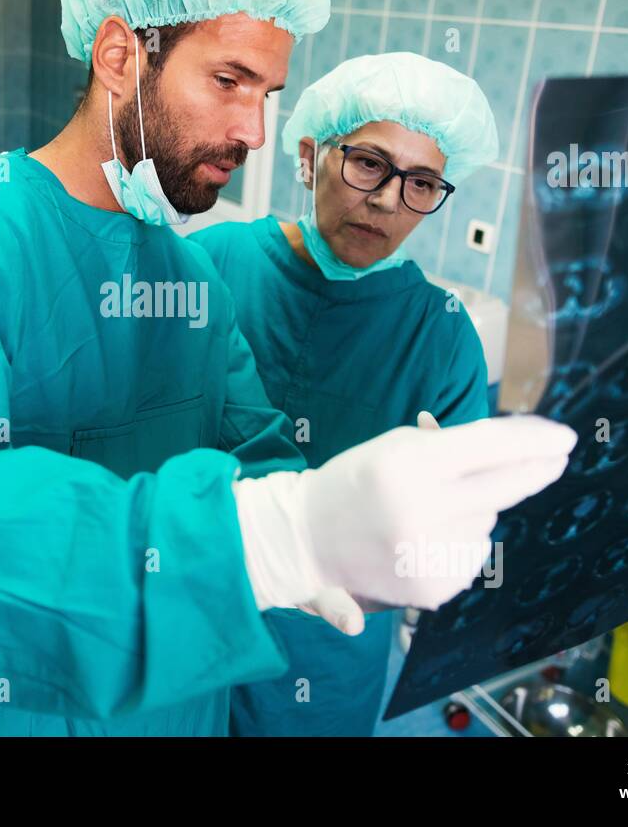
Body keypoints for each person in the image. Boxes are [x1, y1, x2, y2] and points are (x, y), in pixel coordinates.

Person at [0, 0, 575, 737]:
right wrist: (259, 540)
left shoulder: (192, 282)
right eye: (228, 80)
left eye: (267, 93)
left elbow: (258, 460)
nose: (253, 131)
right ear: (117, 56)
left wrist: (358, 506)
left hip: (176, 703)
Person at [192, 52, 500, 735]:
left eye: (421, 182)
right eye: (369, 163)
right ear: (310, 155)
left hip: (329, 653)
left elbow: (464, 535)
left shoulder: (442, 335)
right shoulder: (215, 265)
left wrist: (436, 522)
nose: (389, 198)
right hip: (196, 612)